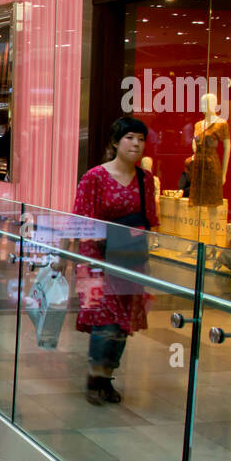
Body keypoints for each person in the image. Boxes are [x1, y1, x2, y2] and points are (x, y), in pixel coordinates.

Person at [53, 116, 158, 406]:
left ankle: (106, 378)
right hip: (95, 259)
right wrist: (63, 256)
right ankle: (94, 377)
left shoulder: (145, 180)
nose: (136, 144)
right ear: (115, 142)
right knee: (104, 321)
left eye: (141, 139)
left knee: (121, 325)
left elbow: (149, 221)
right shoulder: (95, 177)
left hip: (128, 258)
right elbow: (77, 218)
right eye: (130, 138)